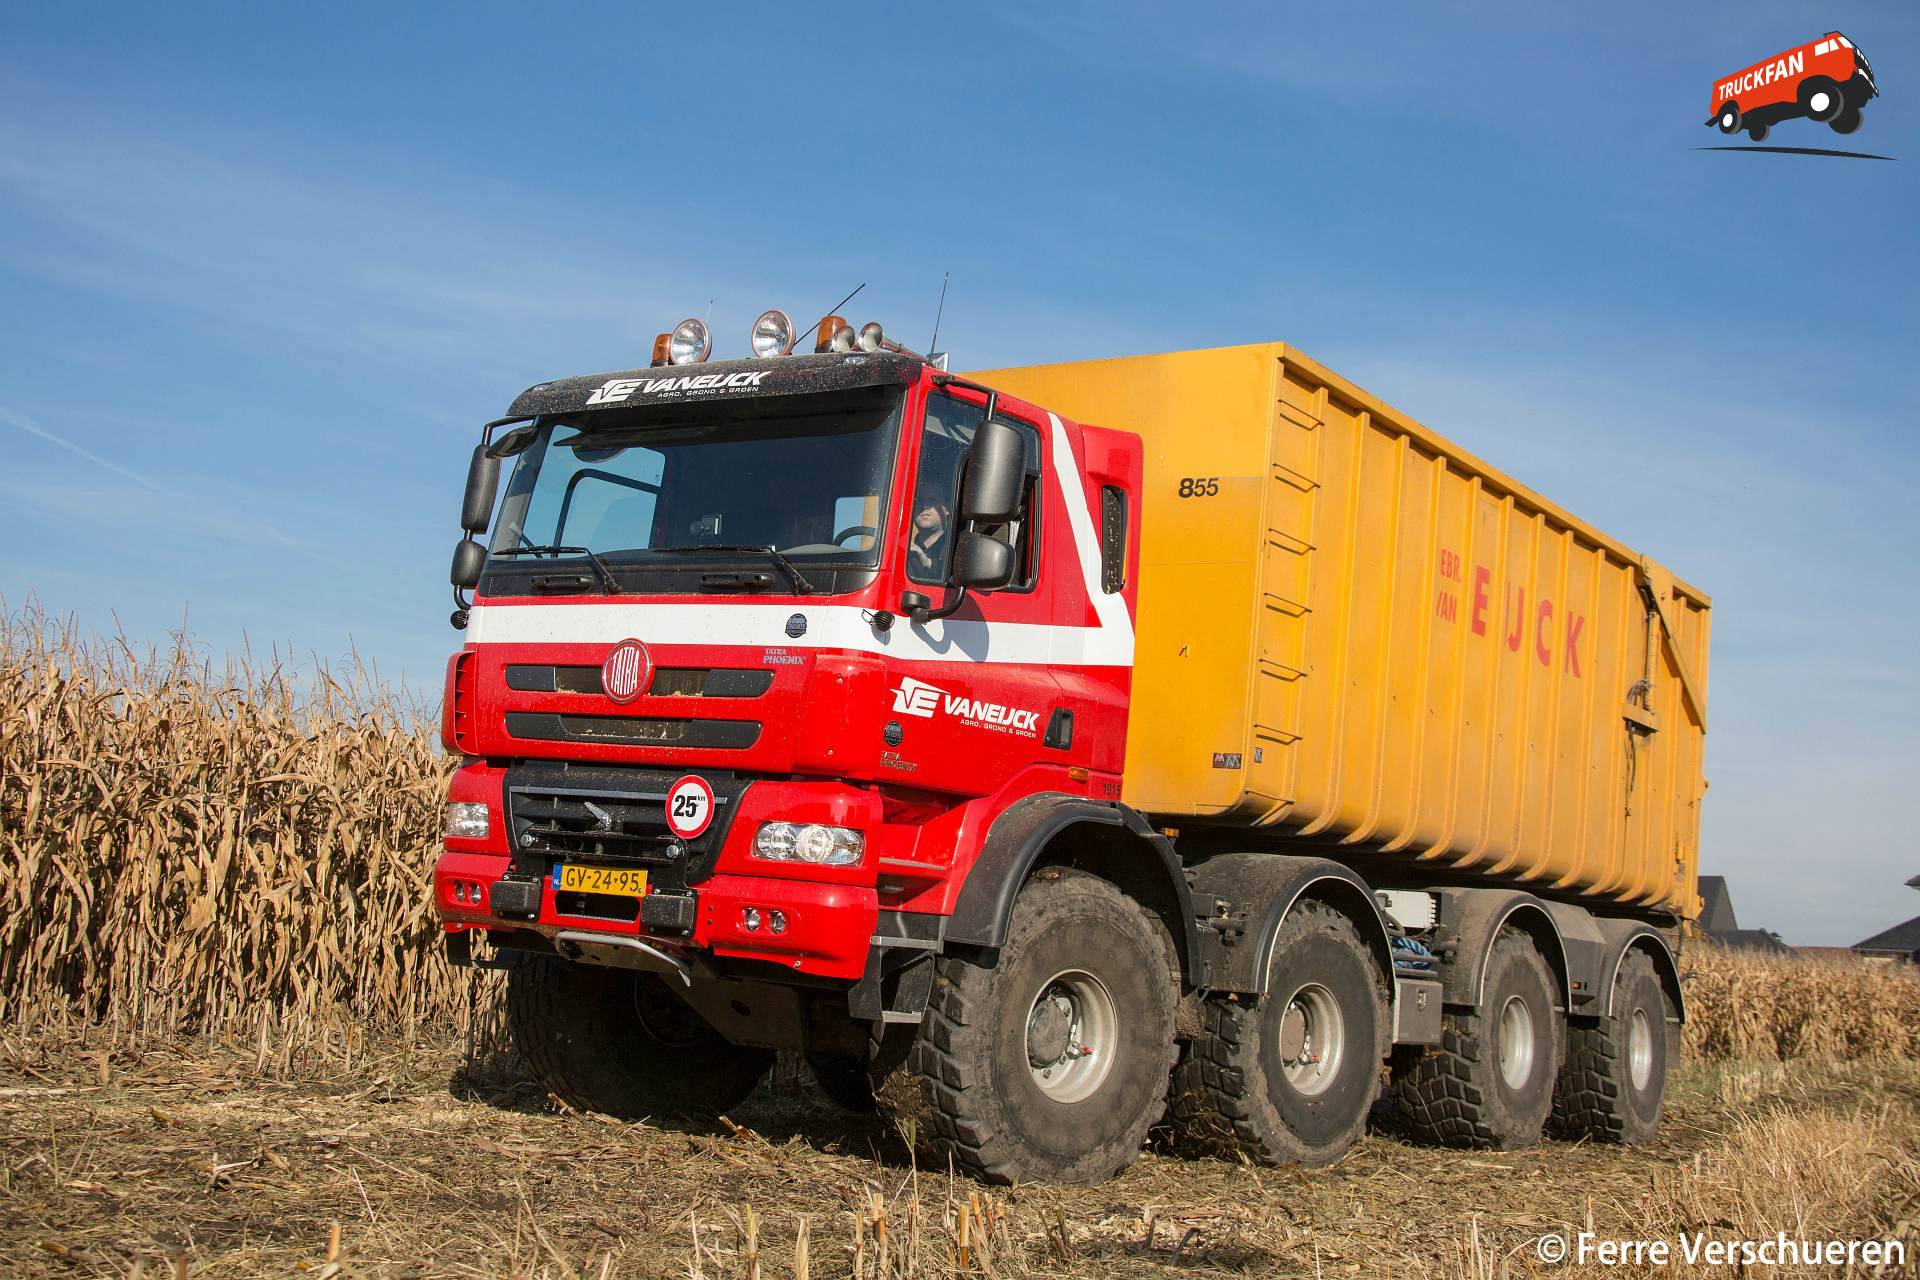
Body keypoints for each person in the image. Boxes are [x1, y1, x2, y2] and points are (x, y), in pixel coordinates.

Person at [908, 500, 950, 577]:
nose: (925, 506)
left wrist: (927, 562)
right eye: (919, 500)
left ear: (947, 509)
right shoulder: (901, 552)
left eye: (932, 499)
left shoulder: (956, 549)